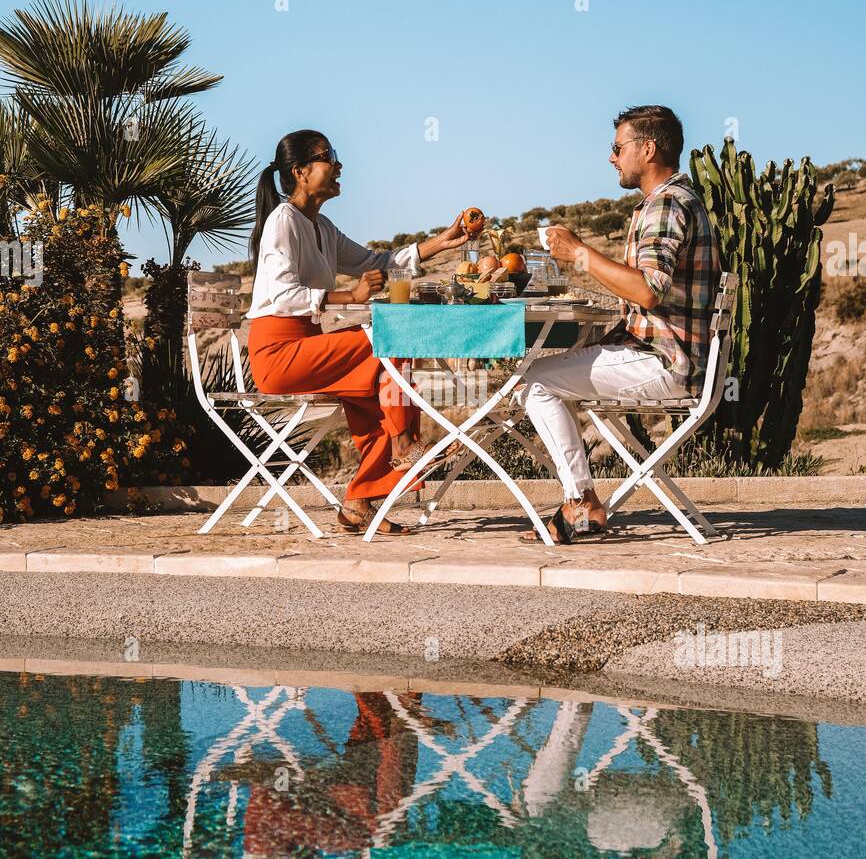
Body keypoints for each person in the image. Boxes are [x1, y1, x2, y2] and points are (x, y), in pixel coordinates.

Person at [514, 105, 720, 542]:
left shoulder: (666, 205)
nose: (611, 157)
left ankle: (580, 504)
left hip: (666, 362)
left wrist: (582, 254)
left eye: (617, 148)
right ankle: (580, 500)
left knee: (536, 382)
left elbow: (648, 290)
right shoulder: (671, 201)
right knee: (550, 375)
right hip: (672, 355)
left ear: (647, 149)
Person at [246, 129, 466, 534]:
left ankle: (360, 502)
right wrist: (351, 295)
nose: (339, 164)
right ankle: (404, 445)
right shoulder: (283, 221)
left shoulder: (322, 227)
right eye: (329, 156)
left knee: (376, 391)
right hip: (278, 354)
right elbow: (281, 295)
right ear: (300, 171)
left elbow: (378, 260)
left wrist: (441, 243)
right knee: (390, 340)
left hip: (309, 348)